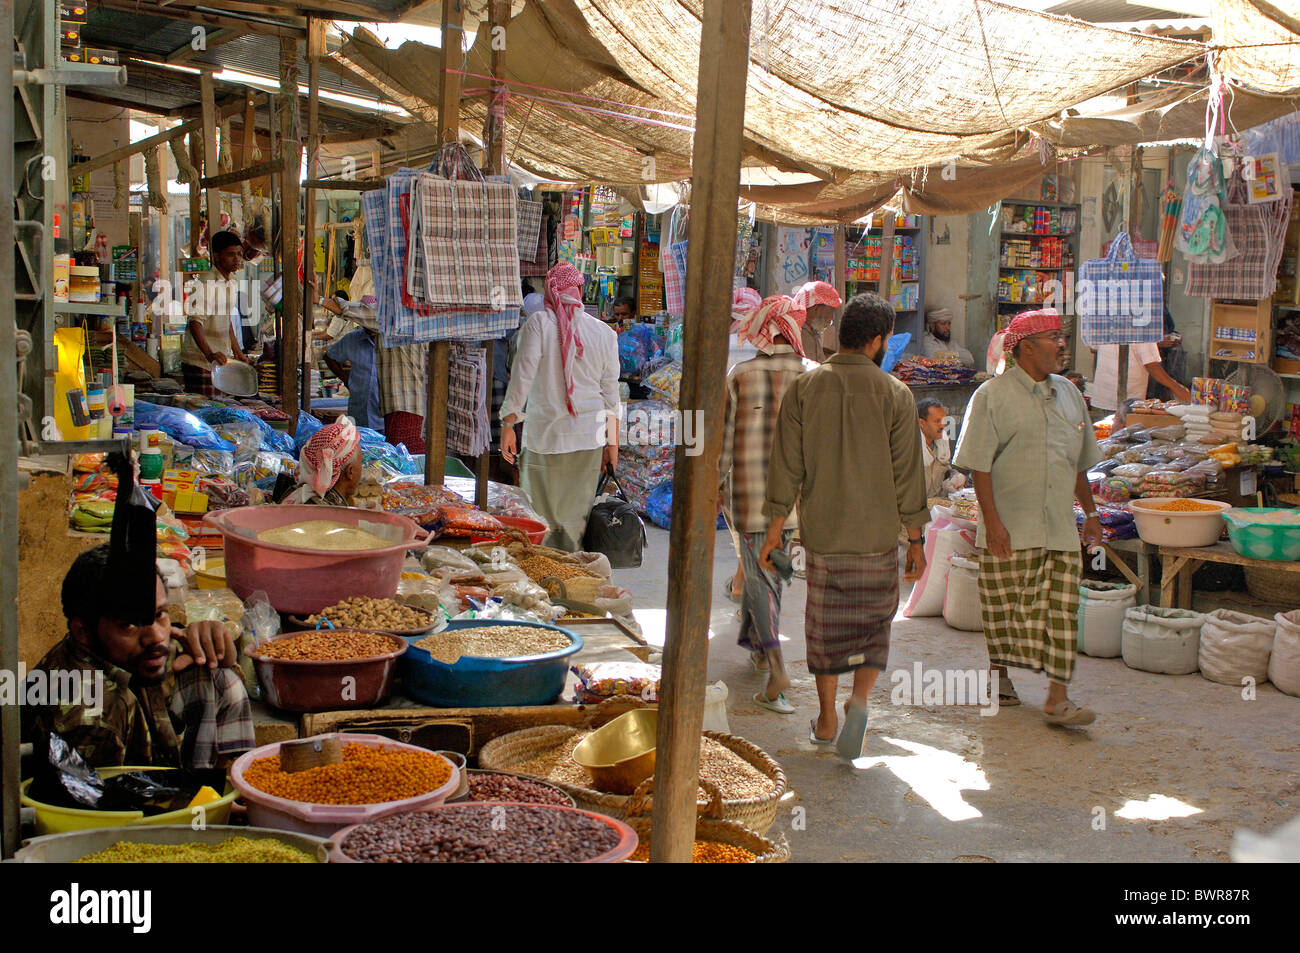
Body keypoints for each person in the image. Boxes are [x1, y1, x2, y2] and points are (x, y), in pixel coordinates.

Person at [761, 292, 928, 760]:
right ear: (877, 340)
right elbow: (909, 476)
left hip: (826, 536)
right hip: (876, 536)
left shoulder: (806, 388)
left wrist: (775, 530)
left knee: (826, 626)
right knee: (875, 625)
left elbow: (785, 466)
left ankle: (828, 715)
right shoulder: (897, 394)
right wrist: (915, 540)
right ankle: (860, 699)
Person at [954, 309, 1104, 726]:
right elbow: (978, 466)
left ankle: (1058, 698)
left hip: (1059, 526)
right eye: (1053, 337)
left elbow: (1079, 463)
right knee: (1004, 607)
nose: (1062, 345)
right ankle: (999, 674)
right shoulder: (991, 397)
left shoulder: (1070, 394)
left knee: (1061, 610)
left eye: (1062, 337)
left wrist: (1090, 513)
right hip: (1010, 525)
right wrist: (994, 522)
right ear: (1025, 347)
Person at [22, 544, 254, 769]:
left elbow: (211, 665)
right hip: (107, 802)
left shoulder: (130, 651)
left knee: (219, 679)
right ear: (83, 631)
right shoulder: (91, 719)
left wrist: (217, 651)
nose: (156, 636)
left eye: (159, 614)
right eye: (130, 624)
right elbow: (100, 804)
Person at [720, 294, 809, 714]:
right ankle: (758, 649)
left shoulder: (740, 375)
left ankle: (776, 667)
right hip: (793, 501)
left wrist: (714, 490)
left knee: (761, 579)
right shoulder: (811, 378)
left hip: (748, 494)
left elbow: (721, 444)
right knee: (769, 575)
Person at [500, 263, 620, 551]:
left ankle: (542, 582)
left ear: (550, 293)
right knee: (574, 523)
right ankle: (572, 579)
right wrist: (612, 446)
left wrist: (508, 424)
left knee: (540, 522)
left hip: (545, 439)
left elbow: (522, 379)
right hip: (586, 442)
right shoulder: (605, 334)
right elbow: (611, 397)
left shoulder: (539, 324)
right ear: (579, 291)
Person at [180, 230, 251, 396]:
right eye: (231, 254)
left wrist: (238, 352)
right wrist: (209, 354)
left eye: (239, 254)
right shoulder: (207, 283)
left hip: (219, 360)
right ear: (217, 256)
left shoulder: (231, 281)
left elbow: (227, 322)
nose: (236, 259)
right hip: (200, 362)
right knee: (207, 413)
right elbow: (195, 323)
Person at [320, 296, 383, 432]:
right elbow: (329, 356)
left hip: (383, 417)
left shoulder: (390, 341)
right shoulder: (352, 339)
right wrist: (345, 379)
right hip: (358, 412)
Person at [1091, 333, 1191, 411]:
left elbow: (1093, 348)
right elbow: (1151, 365)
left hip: (1103, 395)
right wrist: (1177, 388)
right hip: (1128, 399)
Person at [283, 416, 364, 506]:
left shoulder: (294, 493)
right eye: (361, 462)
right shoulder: (334, 514)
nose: (362, 468)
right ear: (350, 472)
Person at [916, 398, 965, 500]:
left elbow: (945, 469)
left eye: (943, 420)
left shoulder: (941, 444)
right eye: (937, 421)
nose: (942, 425)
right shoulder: (911, 448)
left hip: (938, 506)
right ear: (921, 423)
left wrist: (954, 475)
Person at [793, 280, 843, 363]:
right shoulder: (795, 332)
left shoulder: (814, 330)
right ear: (816, 309)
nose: (831, 318)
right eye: (830, 312)